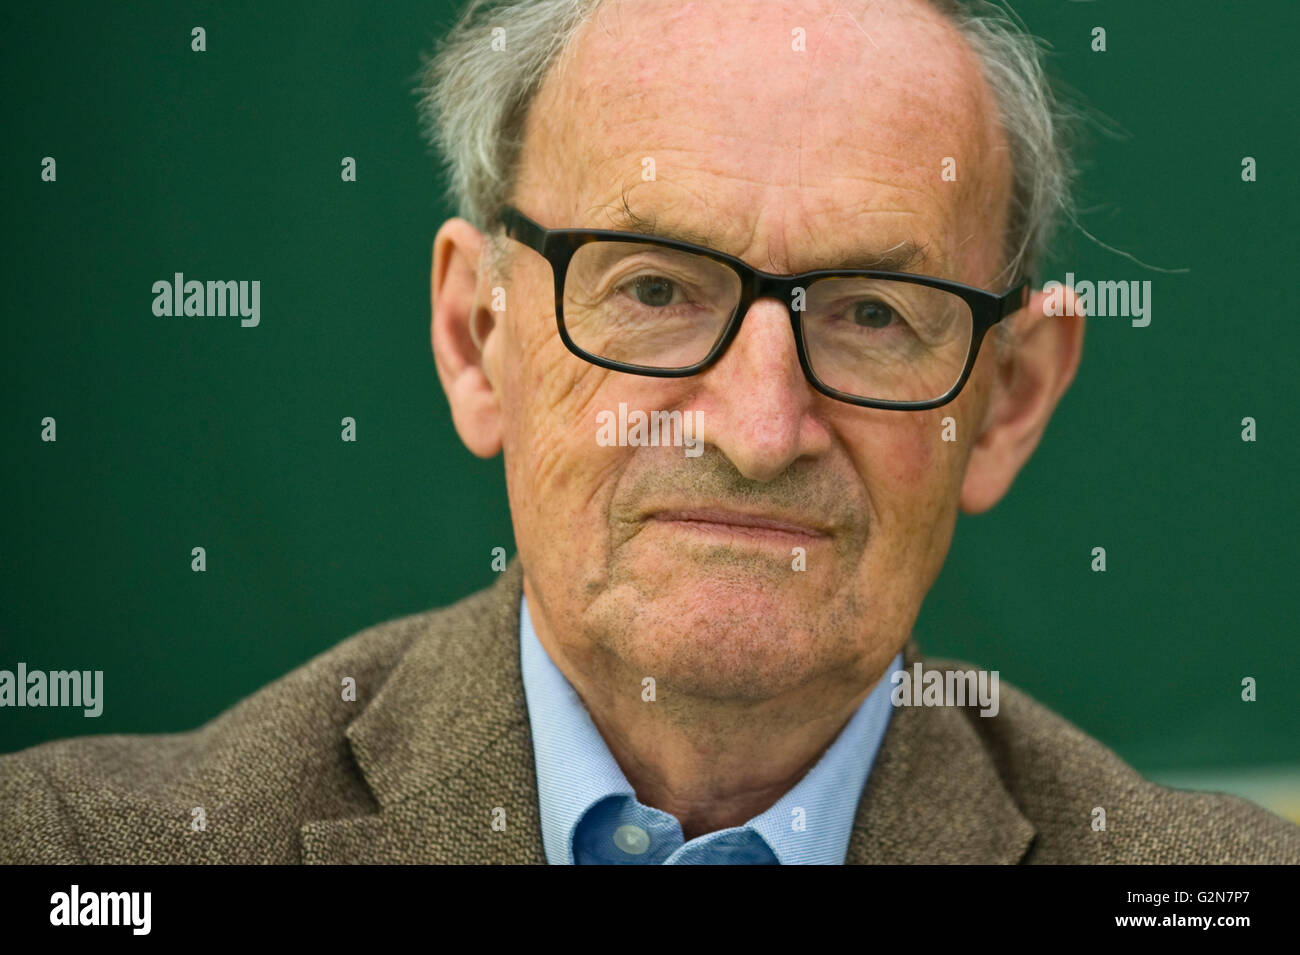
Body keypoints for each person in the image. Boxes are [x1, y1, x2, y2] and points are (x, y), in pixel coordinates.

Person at [2, 0, 1296, 864]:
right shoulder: (78, 854)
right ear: (477, 338)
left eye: (869, 313)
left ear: (1009, 400)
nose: (757, 427)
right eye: (657, 291)